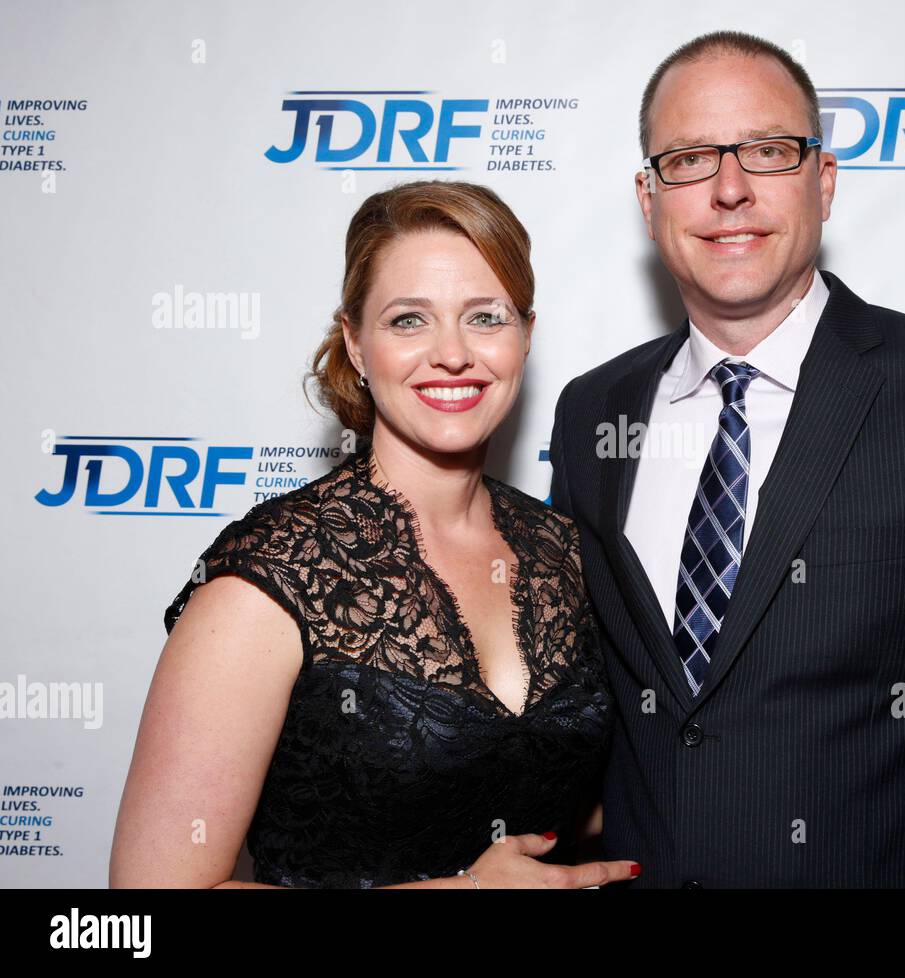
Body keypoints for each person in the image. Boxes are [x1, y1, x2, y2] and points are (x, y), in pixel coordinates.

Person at [548, 30, 905, 887]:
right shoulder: (594, 411)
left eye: (769, 151)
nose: (731, 189)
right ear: (648, 197)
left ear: (824, 180)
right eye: (689, 160)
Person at [109, 180, 640, 889]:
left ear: (525, 336)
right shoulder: (269, 577)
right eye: (408, 321)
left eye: (485, 317)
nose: (453, 354)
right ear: (355, 343)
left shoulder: (566, 551)